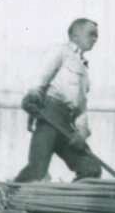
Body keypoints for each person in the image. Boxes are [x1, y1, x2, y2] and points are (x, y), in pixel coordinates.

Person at [14, 18, 103, 183]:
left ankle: (74, 206)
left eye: (96, 35)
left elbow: (81, 106)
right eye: (91, 34)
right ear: (75, 35)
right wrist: (34, 94)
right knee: (37, 170)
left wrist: (81, 133)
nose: (95, 39)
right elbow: (41, 73)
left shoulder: (84, 70)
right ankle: (6, 198)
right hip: (49, 115)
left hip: (66, 125)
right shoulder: (61, 52)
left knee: (91, 169)